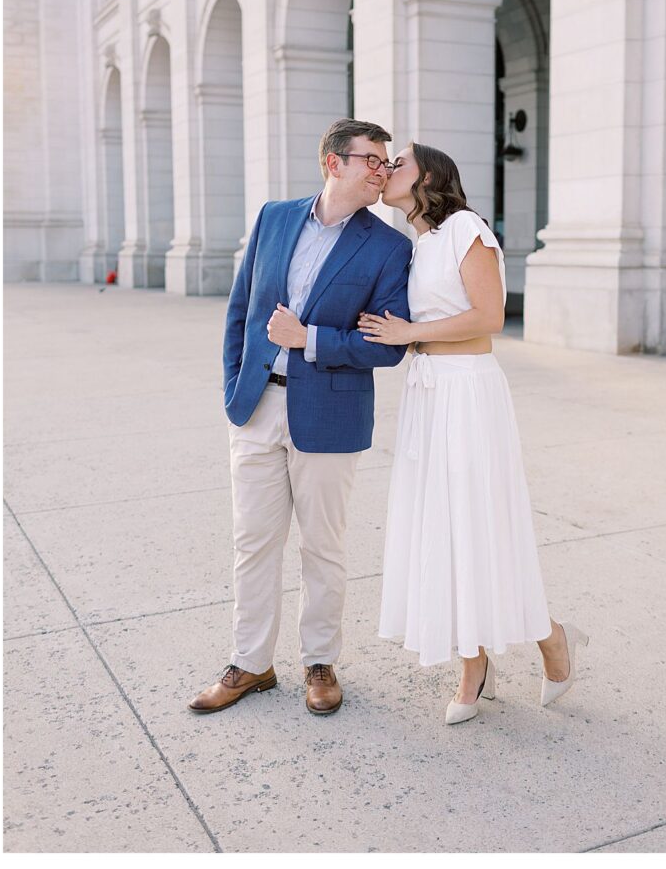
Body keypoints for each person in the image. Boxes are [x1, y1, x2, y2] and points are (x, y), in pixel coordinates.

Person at [189, 118, 413, 716]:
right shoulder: (274, 218)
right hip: (258, 407)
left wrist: (307, 338)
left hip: (331, 412)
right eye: (371, 159)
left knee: (324, 546)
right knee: (253, 540)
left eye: (385, 162)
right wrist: (235, 389)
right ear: (333, 163)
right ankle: (250, 663)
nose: (381, 171)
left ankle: (319, 660)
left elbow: (387, 345)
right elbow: (241, 309)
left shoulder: (391, 247)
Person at [359, 141, 585, 725]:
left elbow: (489, 318)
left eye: (398, 162)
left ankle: (551, 637)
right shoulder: (419, 243)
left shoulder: (466, 229)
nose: (386, 170)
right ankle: (474, 659)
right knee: (443, 527)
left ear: (429, 176)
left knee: (481, 525)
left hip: (467, 391)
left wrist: (410, 329)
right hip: (428, 391)